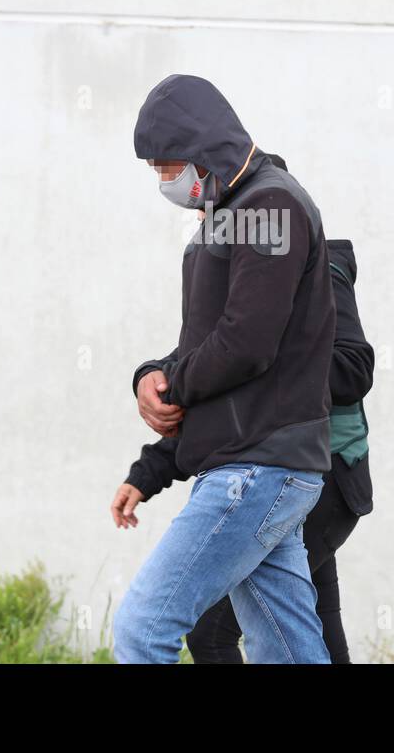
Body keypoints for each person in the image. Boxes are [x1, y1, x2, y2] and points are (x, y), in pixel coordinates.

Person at [110, 74, 336, 664]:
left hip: (254, 467)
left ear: (206, 152)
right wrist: (151, 378)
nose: (165, 182)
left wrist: (174, 385)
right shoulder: (235, 209)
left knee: (142, 628)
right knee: (283, 648)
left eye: (168, 167)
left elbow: (245, 343)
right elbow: (205, 342)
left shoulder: (269, 204)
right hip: (266, 464)